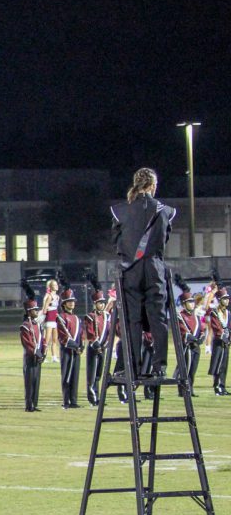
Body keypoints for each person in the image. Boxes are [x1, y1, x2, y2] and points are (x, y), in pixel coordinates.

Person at [110, 168, 177, 378]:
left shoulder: (120, 210)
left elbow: (117, 242)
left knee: (133, 319)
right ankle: (160, 367)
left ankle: (133, 367)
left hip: (131, 269)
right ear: (153, 186)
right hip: (155, 268)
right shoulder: (166, 211)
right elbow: (165, 240)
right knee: (158, 319)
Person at [84, 275, 112, 405]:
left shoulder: (107, 316)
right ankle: (92, 398)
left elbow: (109, 331)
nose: (102, 304)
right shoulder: (90, 316)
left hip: (103, 347)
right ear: (95, 304)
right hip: (94, 348)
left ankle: (97, 396)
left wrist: (105, 345)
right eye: (100, 303)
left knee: (99, 374)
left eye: (103, 302)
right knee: (92, 374)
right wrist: (97, 345)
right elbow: (90, 333)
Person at [19, 282, 45, 412]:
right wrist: (36, 352)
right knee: (29, 382)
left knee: (36, 380)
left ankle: (35, 403)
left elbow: (42, 340)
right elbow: (27, 342)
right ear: (29, 311)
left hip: (38, 356)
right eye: (35, 310)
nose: (37, 311)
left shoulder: (38, 325)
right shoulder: (25, 326)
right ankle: (29, 405)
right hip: (30, 357)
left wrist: (43, 352)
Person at [56, 286, 84, 408]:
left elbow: (81, 333)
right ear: (64, 304)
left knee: (75, 375)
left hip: (76, 350)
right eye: (69, 301)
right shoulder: (61, 317)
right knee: (66, 375)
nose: (72, 303)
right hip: (67, 350)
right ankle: (66, 401)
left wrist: (81, 346)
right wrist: (75, 346)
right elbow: (63, 335)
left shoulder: (77, 318)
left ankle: (74, 401)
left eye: (73, 301)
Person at [207, 282, 229, 396]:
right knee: (218, 364)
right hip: (218, 342)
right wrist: (223, 336)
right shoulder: (214, 312)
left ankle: (223, 386)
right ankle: (217, 387)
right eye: (224, 298)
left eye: (227, 298)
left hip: (226, 343)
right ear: (219, 300)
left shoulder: (228, 313)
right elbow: (216, 327)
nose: (227, 300)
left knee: (224, 365)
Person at [40, 279, 60, 364]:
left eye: (57, 284)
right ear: (50, 287)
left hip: (55, 319)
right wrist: (43, 317)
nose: (57, 286)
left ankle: (54, 357)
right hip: (49, 319)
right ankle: (43, 356)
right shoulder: (49, 296)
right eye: (54, 285)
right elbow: (45, 309)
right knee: (46, 340)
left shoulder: (57, 297)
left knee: (55, 340)